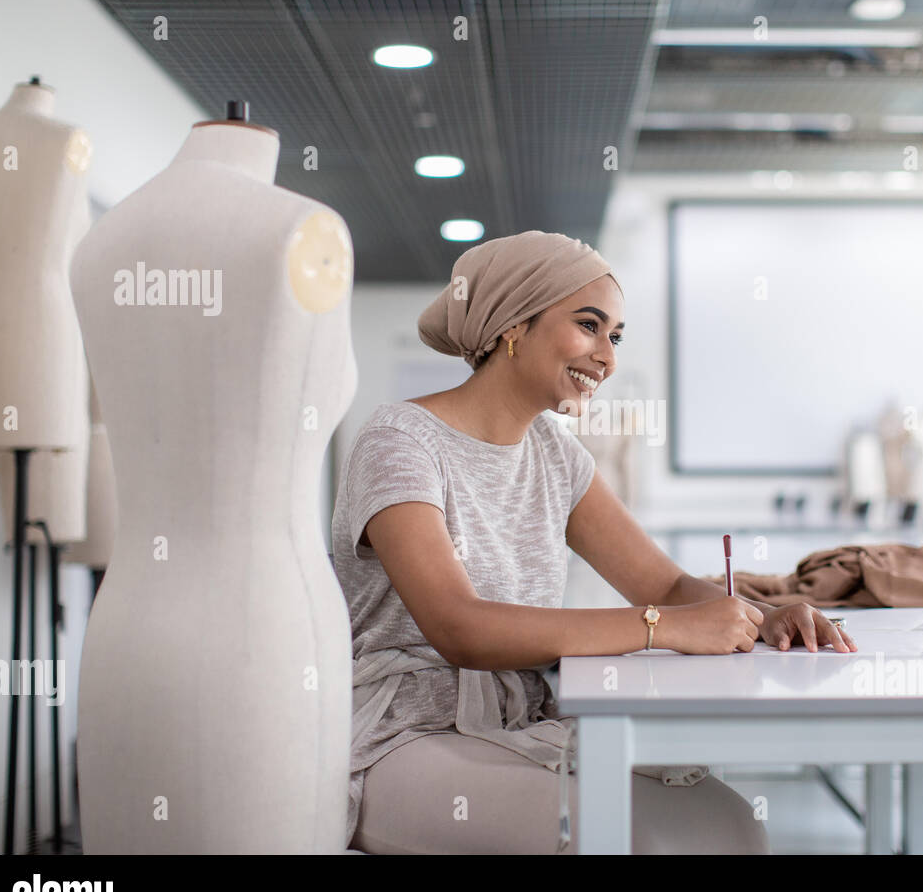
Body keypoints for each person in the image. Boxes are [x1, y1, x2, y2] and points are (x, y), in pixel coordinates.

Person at [333, 230, 856, 854]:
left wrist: (766, 619)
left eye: (615, 336)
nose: (606, 357)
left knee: (733, 827)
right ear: (512, 327)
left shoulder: (556, 453)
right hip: (406, 732)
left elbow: (660, 583)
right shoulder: (400, 441)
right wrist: (663, 626)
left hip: (525, 716)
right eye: (588, 325)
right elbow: (458, 627)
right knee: (625, 836)